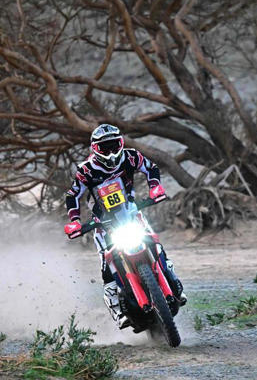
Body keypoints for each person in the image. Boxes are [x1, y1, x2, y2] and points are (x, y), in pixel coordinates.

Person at [63, 123, 186, 329]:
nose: (111, 152)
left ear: (121, 143)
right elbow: (73, 195)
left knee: (155, 243)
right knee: (106, 265)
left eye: (114, 145)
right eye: (105, 148)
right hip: (103, 223)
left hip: (131, 213)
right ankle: (117, 310)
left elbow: (151, 168)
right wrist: (75, 221)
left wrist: (155, 188)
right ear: (95, 149)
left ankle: (174, 282)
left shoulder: (131, 156)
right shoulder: (86, 170)